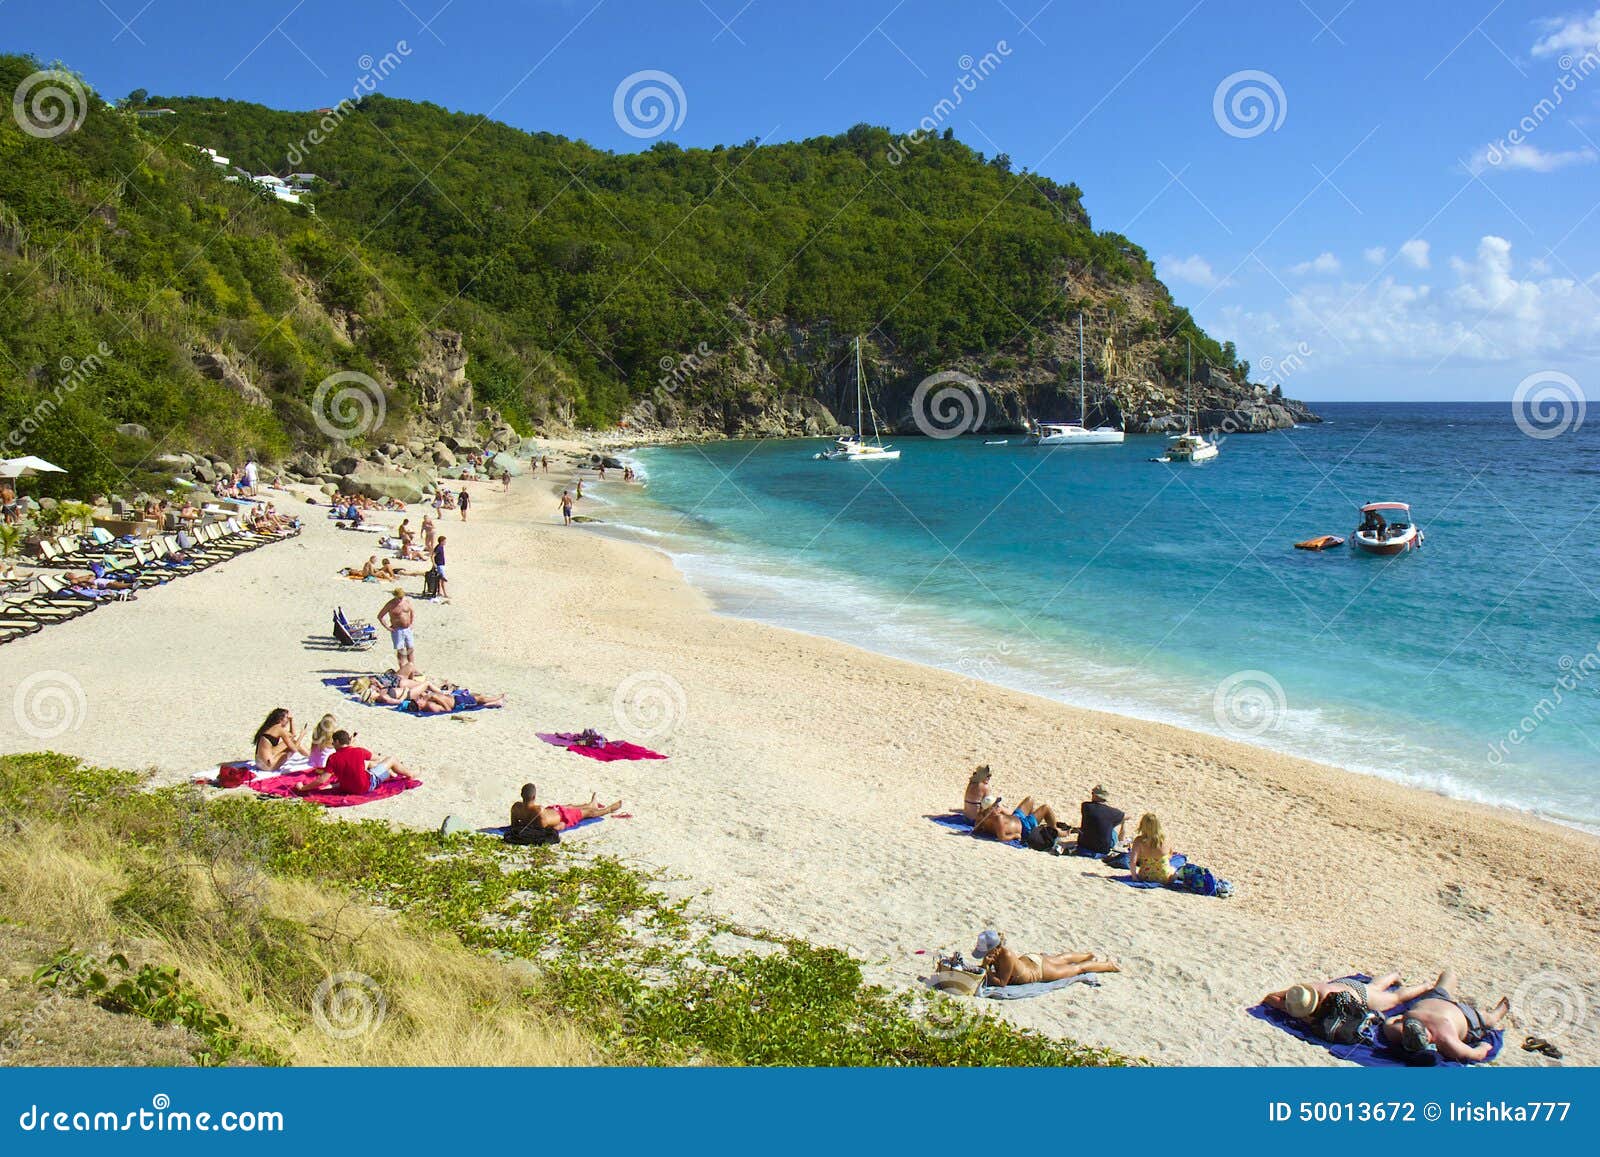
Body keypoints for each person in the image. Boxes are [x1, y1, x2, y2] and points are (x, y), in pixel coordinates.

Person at [1378, 970, 1509, 1064]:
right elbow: (1477, 1054)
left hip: (1447, 1007)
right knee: (1449, 975)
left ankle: (1493, 1015)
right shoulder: (1446, 1040)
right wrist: (1484, 1046)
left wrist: (1483, 1047)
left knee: (1448, 977)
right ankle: (1495, 1016)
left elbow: (1388, 1022)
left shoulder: (1446, 1041)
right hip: (1461, 1014)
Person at [1265, 973, 1435, 1023]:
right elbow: (1270, 997)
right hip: (1345, 984)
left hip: (1361, 997)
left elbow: (1270, 998)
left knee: (1395, 998)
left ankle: (1425, 986)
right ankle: (1393, 975)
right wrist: (1290, 1004)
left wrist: (1287, 1008)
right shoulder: (1308, 988)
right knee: (1373, 987)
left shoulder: (1312, 1013)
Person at [971, 930, 1120, 987]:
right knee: (1060, 958)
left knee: (1078, 969)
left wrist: (985, 969)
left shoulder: (1007, 956)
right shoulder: (998, 952)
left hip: (1039, 971)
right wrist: (986, 965)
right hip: (1030, 960)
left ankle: (1109, 965)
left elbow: (1002, 983)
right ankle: (1088, 955)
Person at [295, 730, 413, 796]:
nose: (333, 745)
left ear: (337, 741)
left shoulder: (333, 758)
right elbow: (376, 758)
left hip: (347, 788)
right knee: (391, 759)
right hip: (365, 787)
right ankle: (410, 774)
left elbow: (322, 779)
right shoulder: (359, 751)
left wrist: (304, 788)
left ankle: (390, 774)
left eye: (333, 742)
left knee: (370, 766)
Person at [973, 796, 1059, 845]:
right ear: (991, 810)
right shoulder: (998, 819)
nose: (999, 806)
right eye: (996, 805)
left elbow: (976, 829)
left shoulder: (983, 819)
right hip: (1025, 826)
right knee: (1046, 808)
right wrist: (1015, 835)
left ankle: (1036, 825)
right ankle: (1055, 832)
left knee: (1030, 800)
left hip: (1016, 817)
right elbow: (1002, 838)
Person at [527, 794, 624, 832]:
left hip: (553, 811)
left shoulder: (517, 808)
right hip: (562, 816)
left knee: (569, 806)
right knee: (588, 813)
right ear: (534, 797)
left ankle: (591, 805)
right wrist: (563, 825)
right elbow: (555, 828)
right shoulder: (540, 813)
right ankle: (609, 809)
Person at [1076, 784, 1125, 855]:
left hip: (1084, 845)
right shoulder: (1113, 812)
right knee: (1112, 829)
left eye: (1092, 793)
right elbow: (1125, 816)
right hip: (1103, 849)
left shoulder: (1085, 806)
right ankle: (1121, 843)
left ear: (1095, 796)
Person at [1129, 812, 1177, 884]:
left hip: (1145, 876)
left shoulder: (1139, 841)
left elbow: (1133, 861)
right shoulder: (1165, 839)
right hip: (1164, 878)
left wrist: (1134, 877)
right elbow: (1170, 856)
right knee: (1173, 869)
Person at [377, 587, 416, 668]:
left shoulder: (407, 601)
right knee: (401, 650)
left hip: (408, 628)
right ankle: (402, 667)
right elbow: (380, 616)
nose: (400, 600)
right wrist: (387, 627)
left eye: (401, 598)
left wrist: (412, 623)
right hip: (397, 630)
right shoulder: (390, 604)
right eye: (399, 598)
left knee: (410, 649)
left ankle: (412, 667)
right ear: (395, 596)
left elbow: (412, 612)